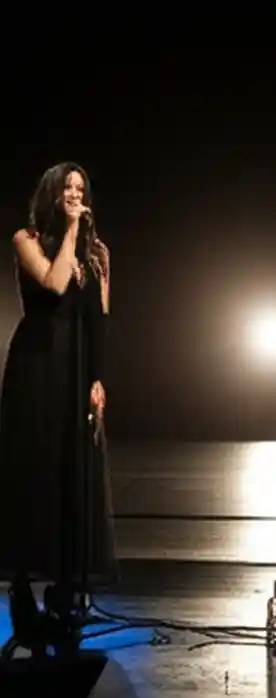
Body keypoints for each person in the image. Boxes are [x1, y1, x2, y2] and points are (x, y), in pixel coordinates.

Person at [0, 161, 115, 646]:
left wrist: (98, 379)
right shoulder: (26, 238)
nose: (74, 194)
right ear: (52, 193)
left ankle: (67, 592)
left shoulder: (99, 252)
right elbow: (51, 284)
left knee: (75, 472)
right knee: (35, 469)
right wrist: (70, 231)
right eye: (67, 188)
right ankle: (23, 587)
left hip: (76, 367)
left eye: (81, 188)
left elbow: (100, 317)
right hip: (37, 366)